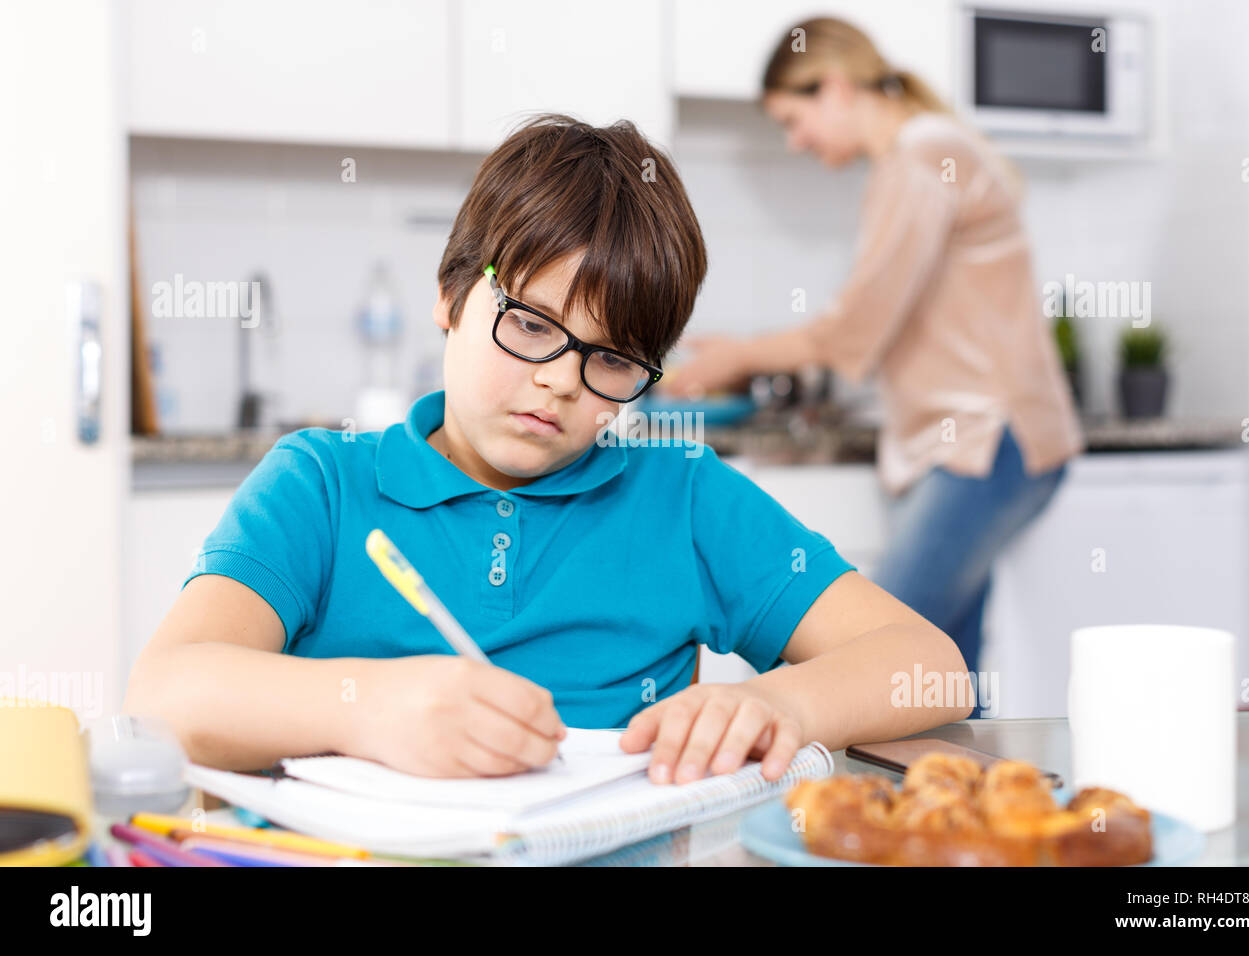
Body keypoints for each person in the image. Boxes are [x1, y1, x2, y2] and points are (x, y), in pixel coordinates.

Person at [124, 114, 974, 787]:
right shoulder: (321, 484)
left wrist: (779, 703)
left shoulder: (680, 498)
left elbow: (933, 670)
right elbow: (164, 692)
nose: (561, 383)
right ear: (451, 297)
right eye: (530, 324)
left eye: (609, 358)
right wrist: (367, 706)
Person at [663, 18, 1084, 705]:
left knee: (883, 656)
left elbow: (857, 328)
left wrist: (742, 355)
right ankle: (961, 805)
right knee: (944, 671)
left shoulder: (920, 159)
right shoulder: (925, 155)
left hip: (987, 441)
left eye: (795, 120)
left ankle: (845, 807)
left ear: (832, 86)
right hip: (987, 441)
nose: (797, 142)